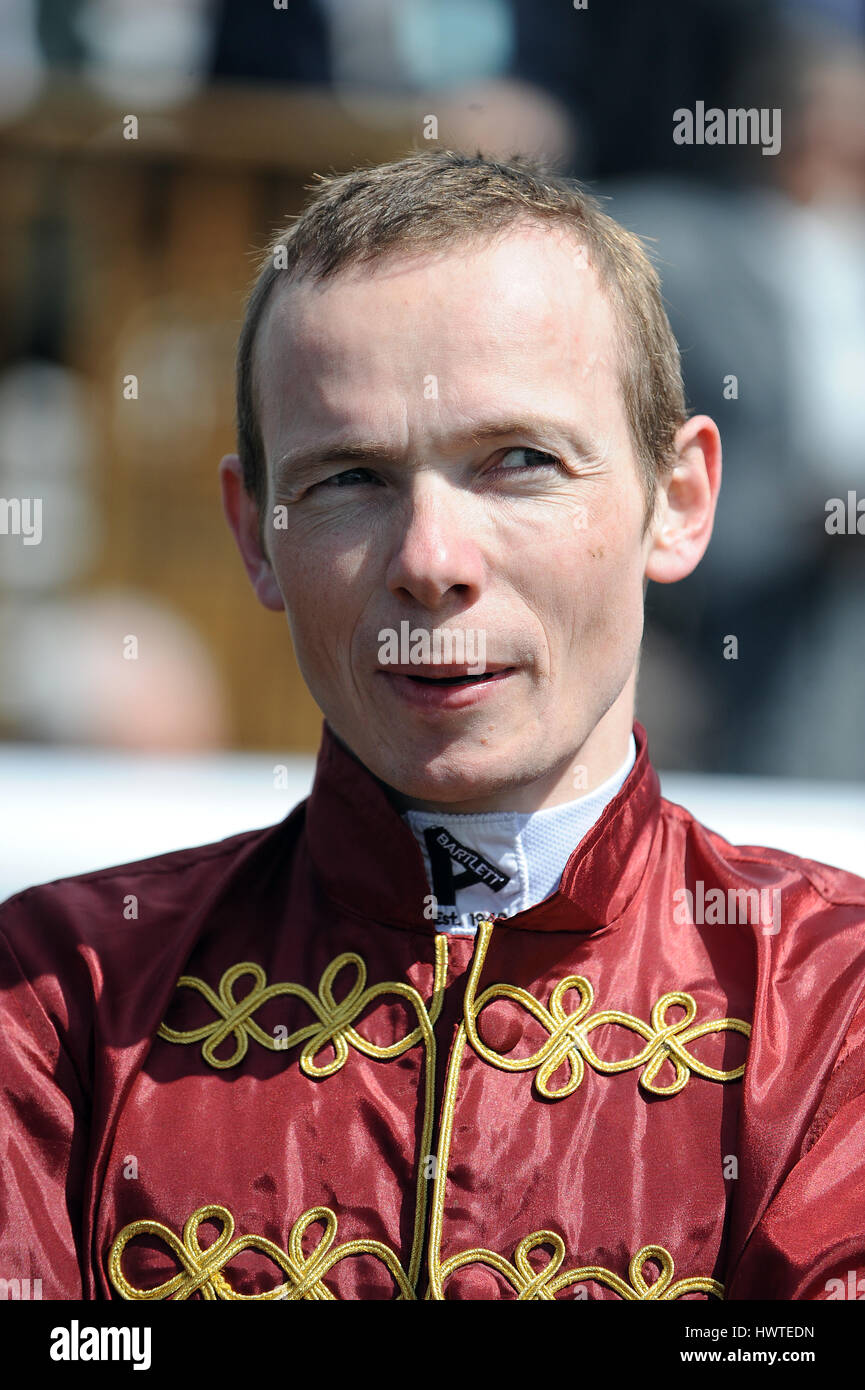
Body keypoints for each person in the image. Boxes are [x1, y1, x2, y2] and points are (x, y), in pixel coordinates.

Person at [1, 150, 863, 1302]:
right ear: (255, 534)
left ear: (679, 500)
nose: (430, 564)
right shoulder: (57, 998)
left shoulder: (834, 998)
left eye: (517, 462)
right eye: (352, 478)